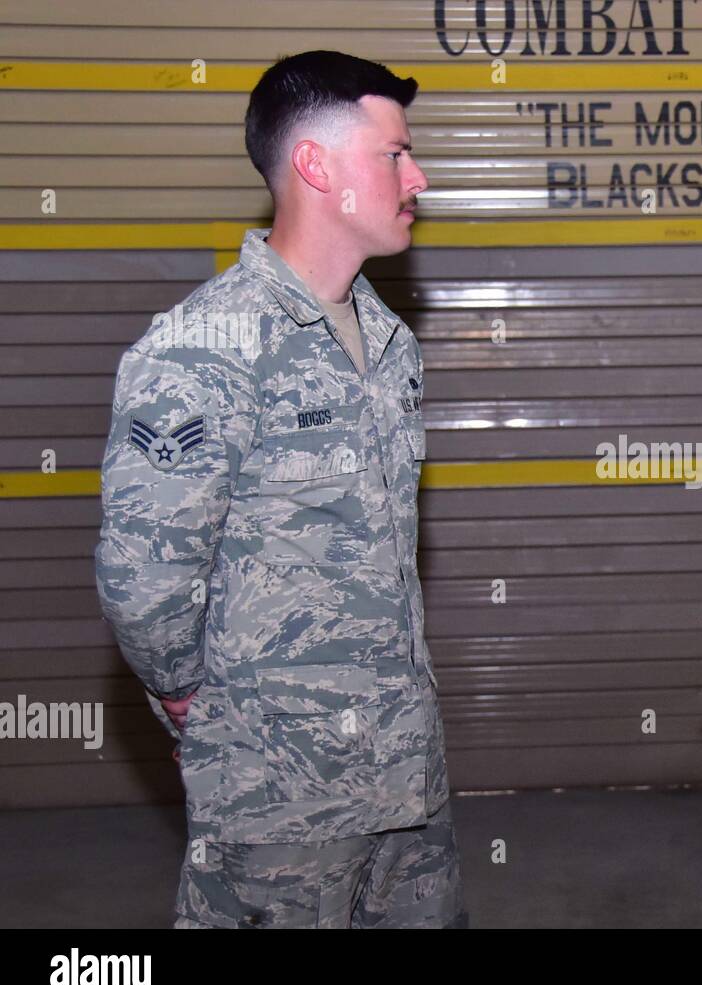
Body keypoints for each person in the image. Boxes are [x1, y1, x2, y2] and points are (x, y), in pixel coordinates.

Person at [94, 51, 466, 928]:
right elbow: (144, 579)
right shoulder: (199, 350)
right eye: (394, 155)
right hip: (277, 797)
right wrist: (192, 696)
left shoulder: (387, 342)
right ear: (315, 167)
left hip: (406, 777)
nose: (419, 176)